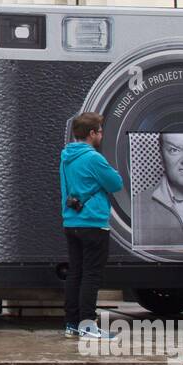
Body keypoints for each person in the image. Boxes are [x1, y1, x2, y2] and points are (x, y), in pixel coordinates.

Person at [60, 112, 123, 339]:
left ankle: (71, 323)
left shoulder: (66, 156)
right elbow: (116, 183)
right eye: (100, 131)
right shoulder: (93, 158)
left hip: (71, 221)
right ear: (92, 133)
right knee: (91, 275)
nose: (101, 135)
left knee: (75, 273)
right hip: (93, 222)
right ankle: (88, 324)